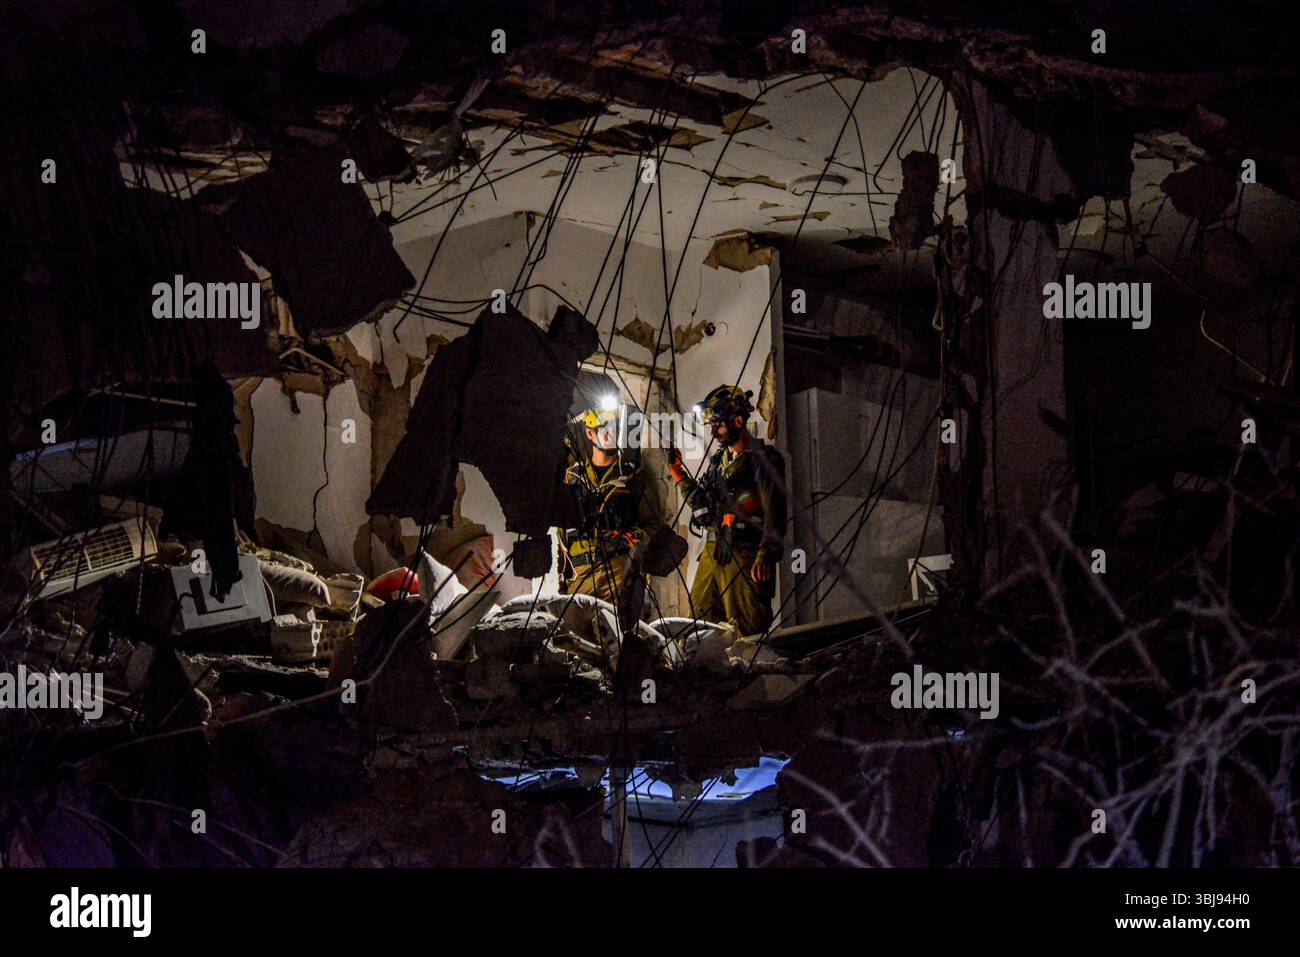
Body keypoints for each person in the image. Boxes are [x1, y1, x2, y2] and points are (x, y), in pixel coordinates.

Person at [669, 385, 787, 637]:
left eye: (718, 425)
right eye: (710, 425)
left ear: (737, 420)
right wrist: (678, 473)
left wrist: (766, 555)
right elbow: (704, 506)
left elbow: (774, 511)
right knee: (699, 628)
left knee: (746, 632)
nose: (713, 432)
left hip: (745, 555)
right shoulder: (719, 462)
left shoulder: (764, 459)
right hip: (713, 552)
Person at [558, 395, 665, 607]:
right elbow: (563, 533)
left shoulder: (633, 477)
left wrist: (630, 538)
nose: (610, 433)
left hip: (619, 571)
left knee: (616, 633)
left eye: (615, 427)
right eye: (603, 428)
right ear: (590, 433)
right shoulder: (574, 477)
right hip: (581, 576)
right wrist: (564, 574)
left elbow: (654, 525)